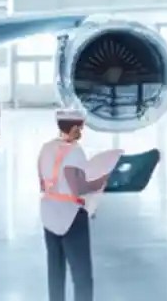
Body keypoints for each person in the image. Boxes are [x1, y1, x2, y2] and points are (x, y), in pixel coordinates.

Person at [39, 108, 109, 301]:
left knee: (55, 270)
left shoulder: (46, 148)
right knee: (82, 274)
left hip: (49, 213)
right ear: (75, 128)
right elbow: (78, 187)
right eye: (80, 128)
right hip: (71, 216)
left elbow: (42, 183)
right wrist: (101, 181)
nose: (81, 132)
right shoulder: (75, 151)